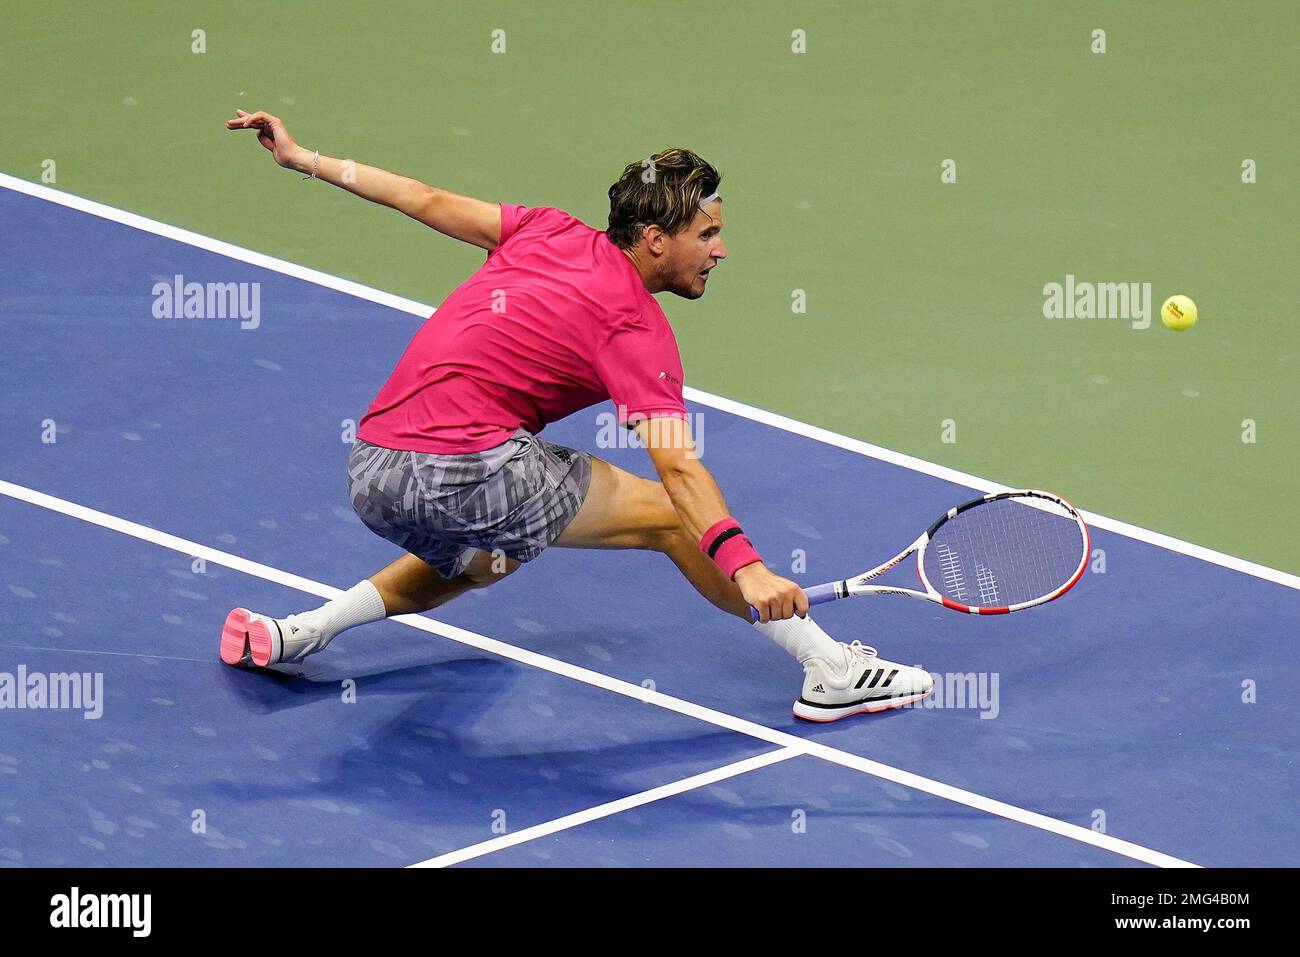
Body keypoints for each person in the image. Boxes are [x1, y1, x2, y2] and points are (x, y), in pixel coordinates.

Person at [219, 109, 933, 721]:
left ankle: (302, 631)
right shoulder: (635, 327)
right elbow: (678, 466)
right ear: (656, 238)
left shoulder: (546, 229)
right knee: (669, 515)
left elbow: (422, 196)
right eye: (706, 234)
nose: (721, 249)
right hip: (461, 465)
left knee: (487, 559)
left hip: (373, 468)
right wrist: (746, 568)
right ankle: (830, 670)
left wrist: (301, 158)